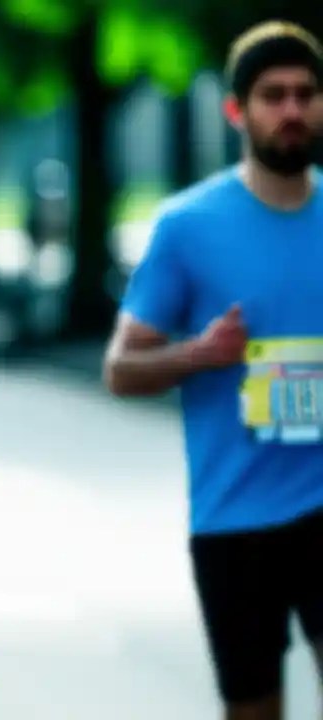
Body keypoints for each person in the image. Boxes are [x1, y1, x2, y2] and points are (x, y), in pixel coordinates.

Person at [104, 21, 323, 720]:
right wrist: (199, 353)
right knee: (254, 709)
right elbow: (120, 368)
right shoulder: (188, 226)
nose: (292, 110)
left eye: (307, 95)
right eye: (273, 96)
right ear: (238, 111)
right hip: (235, 520)